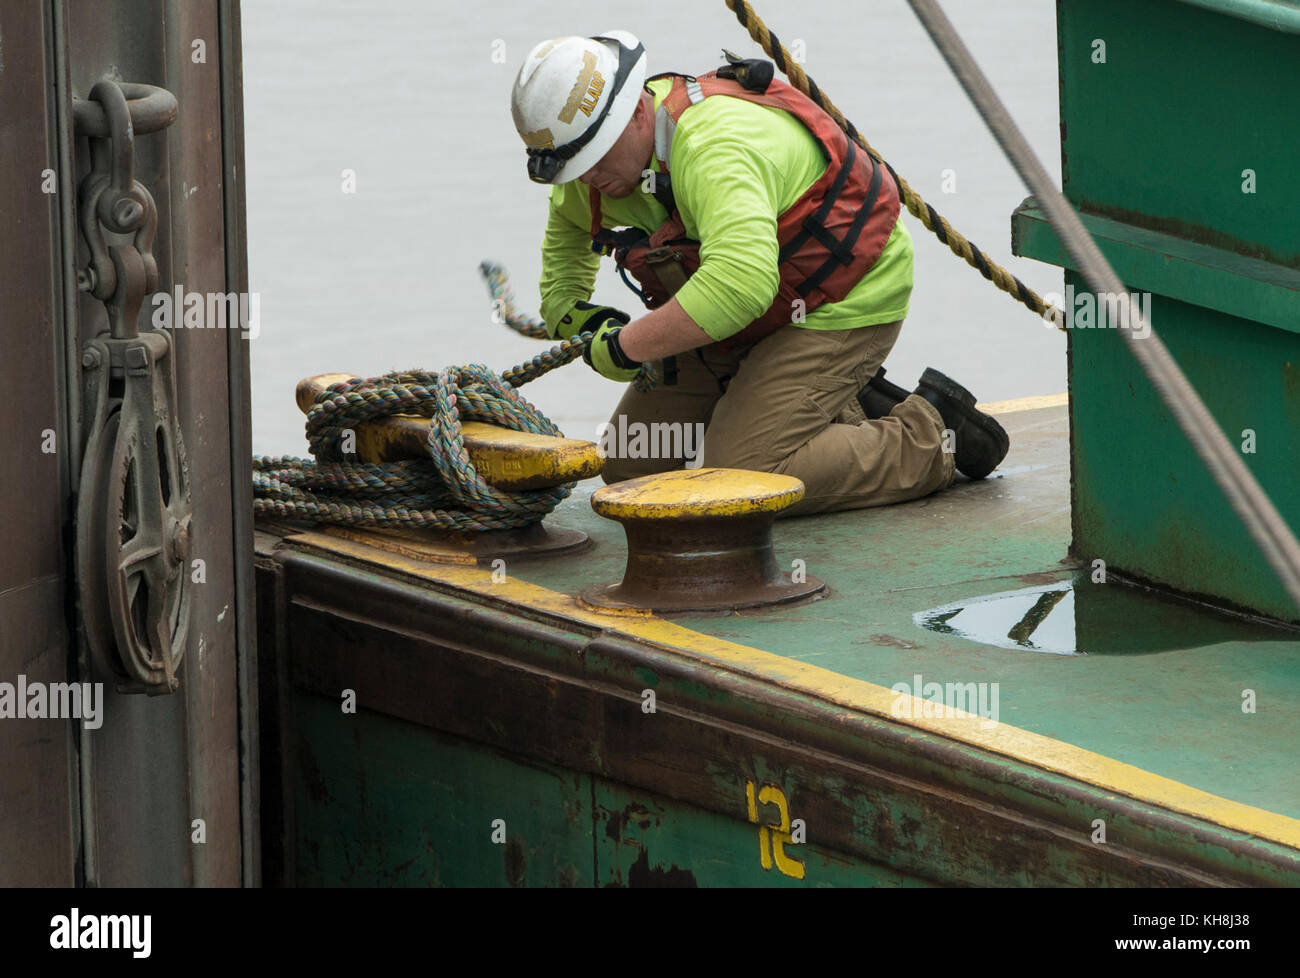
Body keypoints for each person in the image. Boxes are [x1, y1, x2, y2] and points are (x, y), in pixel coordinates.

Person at [510, 30, 1008, 515]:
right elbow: (561, 289)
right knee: (631, 464)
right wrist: (588, 324)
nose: (588, 178)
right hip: (737, 319)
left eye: (595, 158)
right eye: (572, 168)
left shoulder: (714, 145)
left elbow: (740, 285)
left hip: (836, 302)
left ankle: (928, 435)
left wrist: (626, 346)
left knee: (739, 477)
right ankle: (818, 403)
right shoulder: (585, 173)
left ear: (639, 110)